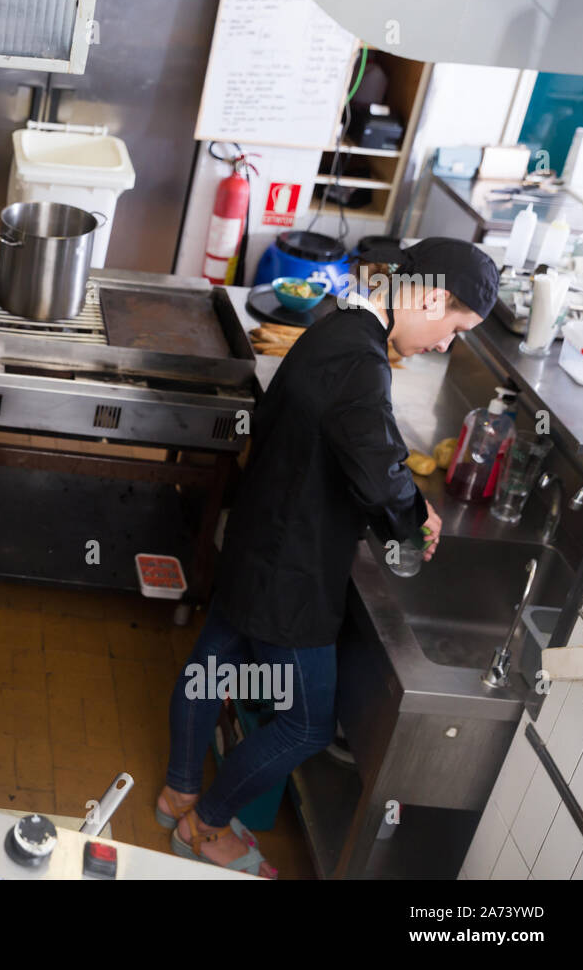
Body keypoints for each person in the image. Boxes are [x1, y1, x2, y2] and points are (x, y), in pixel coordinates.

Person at [157, 237, 499, 876]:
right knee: (308, 726)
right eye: (455, 328)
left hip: (256, 540)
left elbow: (361, 434)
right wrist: (407, 522)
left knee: (210, 665)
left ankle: (179, 787)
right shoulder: (362, 364)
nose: (447, 344)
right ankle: (204, 825)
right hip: (293, 572)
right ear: (428, 298)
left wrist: (403, 488)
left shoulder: (342, 327)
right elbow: (375, 473)